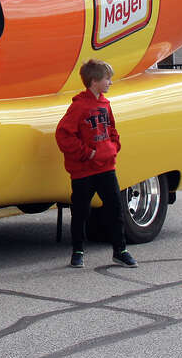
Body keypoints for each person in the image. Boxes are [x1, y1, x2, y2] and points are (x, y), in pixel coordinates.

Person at [54, 59, 136, 269]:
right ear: (94, 81)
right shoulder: (79, 107)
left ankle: (120, 250)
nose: (110, 82)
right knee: (81, 212)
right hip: (83, 171)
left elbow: (112, 129)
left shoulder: (105, 104)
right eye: (107, 78)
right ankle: (78, 251)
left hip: (106, 167)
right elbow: (64, 134)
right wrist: (86, 153)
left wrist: (113, 146)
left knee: (115, 208)